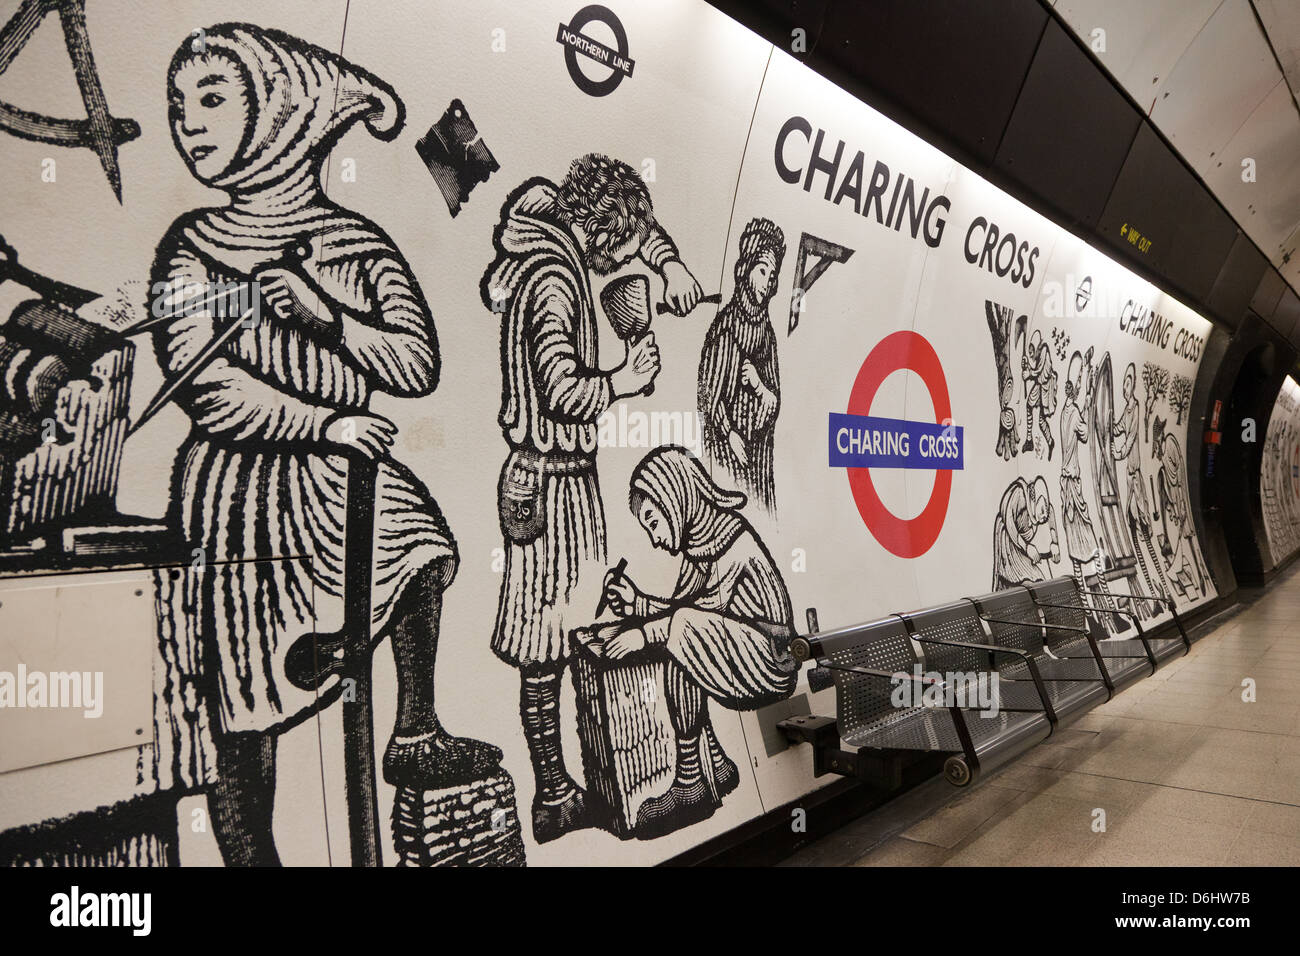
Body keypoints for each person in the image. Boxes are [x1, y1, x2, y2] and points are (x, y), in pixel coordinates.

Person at [151, 24, 499, 865]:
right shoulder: (194, 248)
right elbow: (207, 387)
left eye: (211, 100)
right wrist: (323, 421)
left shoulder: (355, 243)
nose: (187, 122)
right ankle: (252, 854)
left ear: (280, 113)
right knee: (241, 688)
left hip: (343, 478)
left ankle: (414, 728)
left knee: (422, 541)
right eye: (177, 104)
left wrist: (327, 315)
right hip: (240, 491)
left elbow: (416, 362)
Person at [481, 155, 702, 844]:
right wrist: (623, 380)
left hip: (559, 476)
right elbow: (560, 388)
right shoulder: (553, 278)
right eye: (624, 247)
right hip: (551, 481)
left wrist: (669, 267)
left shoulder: (553, 247)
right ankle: (554, 794)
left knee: (568, 627)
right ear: (599, 230)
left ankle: (582, 779)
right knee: (547, 639)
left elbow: (642, 229)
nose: (624, 261)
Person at [601, 446, 798, 840]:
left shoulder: (731, 543)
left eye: (654, 521)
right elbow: (687, 610)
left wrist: (641, 630)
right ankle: (715, 766)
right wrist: (635, 602)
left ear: (676, 499)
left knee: (682, 634)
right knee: (683, 639)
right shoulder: (701, 543)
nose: (655, 538)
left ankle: (691, 783)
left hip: (771, 661)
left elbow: (688, 618)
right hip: (745, 651)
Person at [698, 218, 785, 512]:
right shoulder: (728, 327)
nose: (767, 282)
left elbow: (774, 399)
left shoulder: (766, 333)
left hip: (758, 455)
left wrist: (760, 388)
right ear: (745, 268)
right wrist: (730, 433)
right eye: (762, 270)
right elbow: (709, 396)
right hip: (728, 451)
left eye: (772, 275)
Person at [1059, 348, 1121, 628]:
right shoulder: (1072, 414)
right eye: (1080, 379)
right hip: (1073, 488)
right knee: (1093, 551)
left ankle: (1096, 615)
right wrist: (1088, 392)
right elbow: (1085, 432)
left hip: (1068, 489)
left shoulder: (1066, 412)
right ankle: (1102, 614)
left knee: (1078, 555)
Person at [1111, 362, 1171, 616]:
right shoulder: (1127, 409)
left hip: (1137, 484)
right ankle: (1153, 595)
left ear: (1133, 384)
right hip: (1130, 482)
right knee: (1136, 539)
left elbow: (1131, 435)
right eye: (1123, 381)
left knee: (1145, 537)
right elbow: (1118, 429)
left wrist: (1120, 451)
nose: (1125, 386)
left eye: (1128, 381)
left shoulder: (1135, 407)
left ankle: (1164, 594)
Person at [992, 476, 1059, 590]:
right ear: (1034, 499)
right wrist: (1027, 548)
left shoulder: (1042, 507)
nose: (1043, 516)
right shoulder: (1019, 494)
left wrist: (1055, 542)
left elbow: (1050, 515)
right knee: (1028, 581)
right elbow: (1010, 525)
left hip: (1022, 550)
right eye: (1042, 511)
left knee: (1037, 580)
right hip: (1009, 547)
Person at [1022, 329, 1056, 459]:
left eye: (1032, 351)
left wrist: (1029, 373)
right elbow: (1034, 368)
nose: (1031, 353)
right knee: (1029, 406)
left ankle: (1050, 442)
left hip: (1046, 388)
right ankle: (1029, 440)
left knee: (1041, 421)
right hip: (1040, 385)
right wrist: (1026, 366)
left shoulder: (1044, 351)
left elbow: (1039, 370)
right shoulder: (1037, 353)